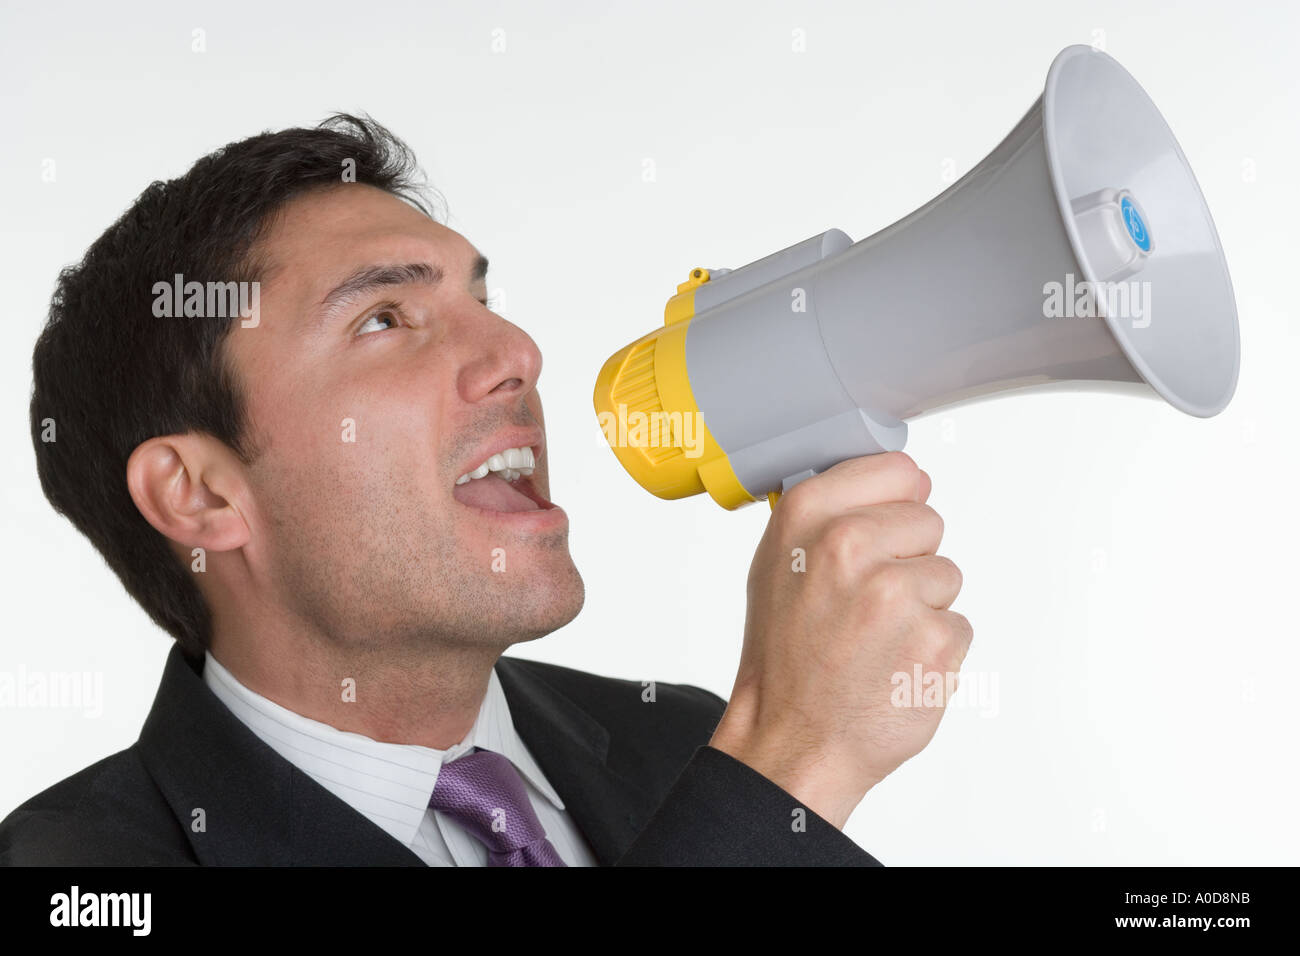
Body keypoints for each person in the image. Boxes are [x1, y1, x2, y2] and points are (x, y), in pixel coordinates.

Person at [0, 115, 971, 866]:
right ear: (201, 493)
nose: (517, 355)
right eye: (385, 317)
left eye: (483, 302)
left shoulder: (675, 737)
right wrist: (787, 772)